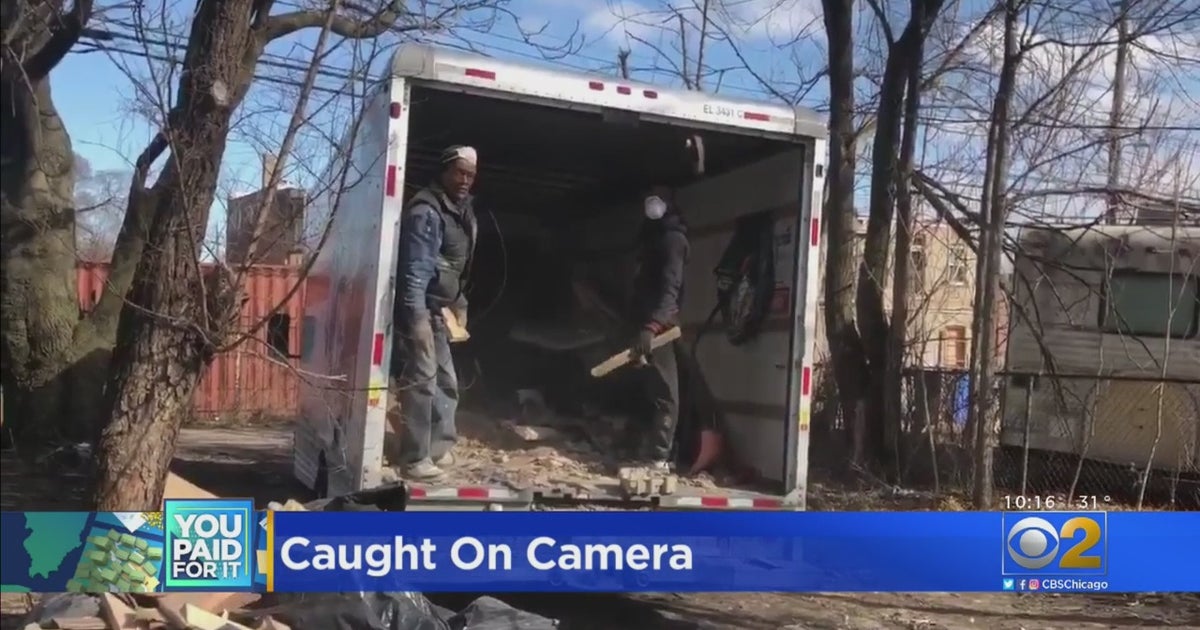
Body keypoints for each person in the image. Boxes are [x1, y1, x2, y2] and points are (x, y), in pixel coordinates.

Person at [392, 145, 479, 480]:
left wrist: (459, 305)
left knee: (447, 382)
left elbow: (456, 268)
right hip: (421, 311)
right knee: (422, 383)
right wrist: (416, 320)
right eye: (459, 172)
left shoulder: (460, 211)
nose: (465, 181)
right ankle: (415, 459)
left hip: (441, 312)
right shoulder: (427, 212)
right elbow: (416, 269)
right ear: (444, 171)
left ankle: (438, 449)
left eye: (470, 175)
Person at [626, 184, 689, 471]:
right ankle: (645, 449)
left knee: (667, 395)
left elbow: (670, 290)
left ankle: (659, 458)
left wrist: (653, 327)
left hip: (660, 328)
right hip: (644, 326)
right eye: (648, 201)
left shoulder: (673, 240)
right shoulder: (650, 238)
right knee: (648, 389)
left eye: (657, 201)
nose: (652, 206)